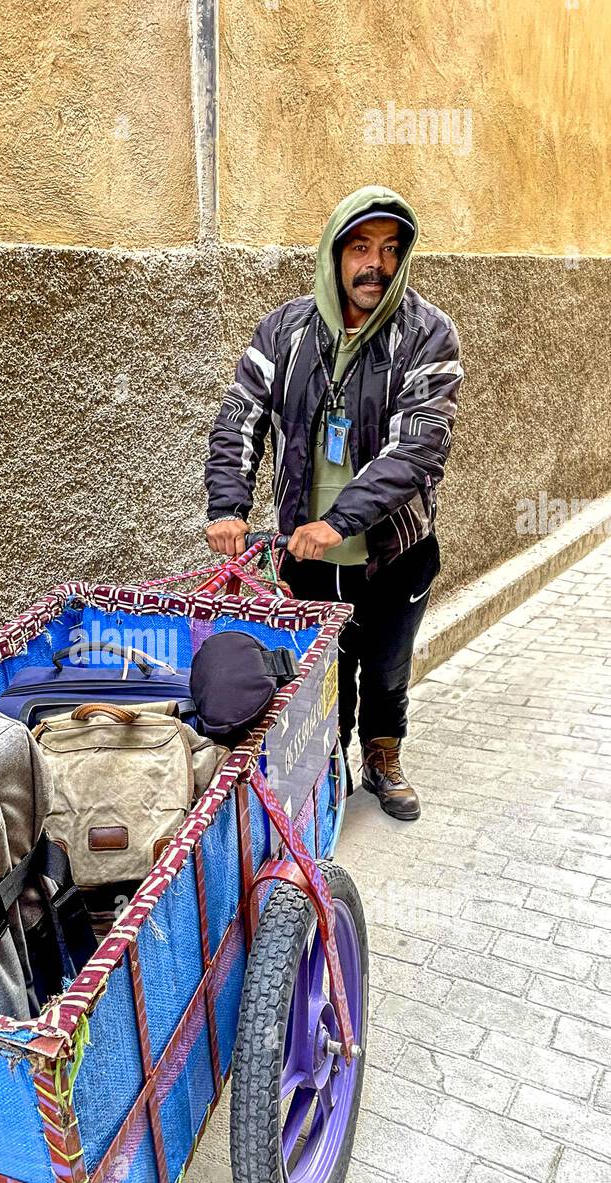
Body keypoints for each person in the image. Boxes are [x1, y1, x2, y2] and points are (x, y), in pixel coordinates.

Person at [204, 185, 463, 821]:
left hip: (393, 549)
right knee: (321, 672)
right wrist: (228, 505)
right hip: (306, 554)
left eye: (391, 250)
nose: (376, 264)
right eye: (361, 247)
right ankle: (328, 767)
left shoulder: (427, 335)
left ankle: (382, 755)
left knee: (384, 666)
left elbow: (417, 449)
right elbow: (241, 417)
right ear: (334, 253)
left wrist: (338, 522)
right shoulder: (286, 330)